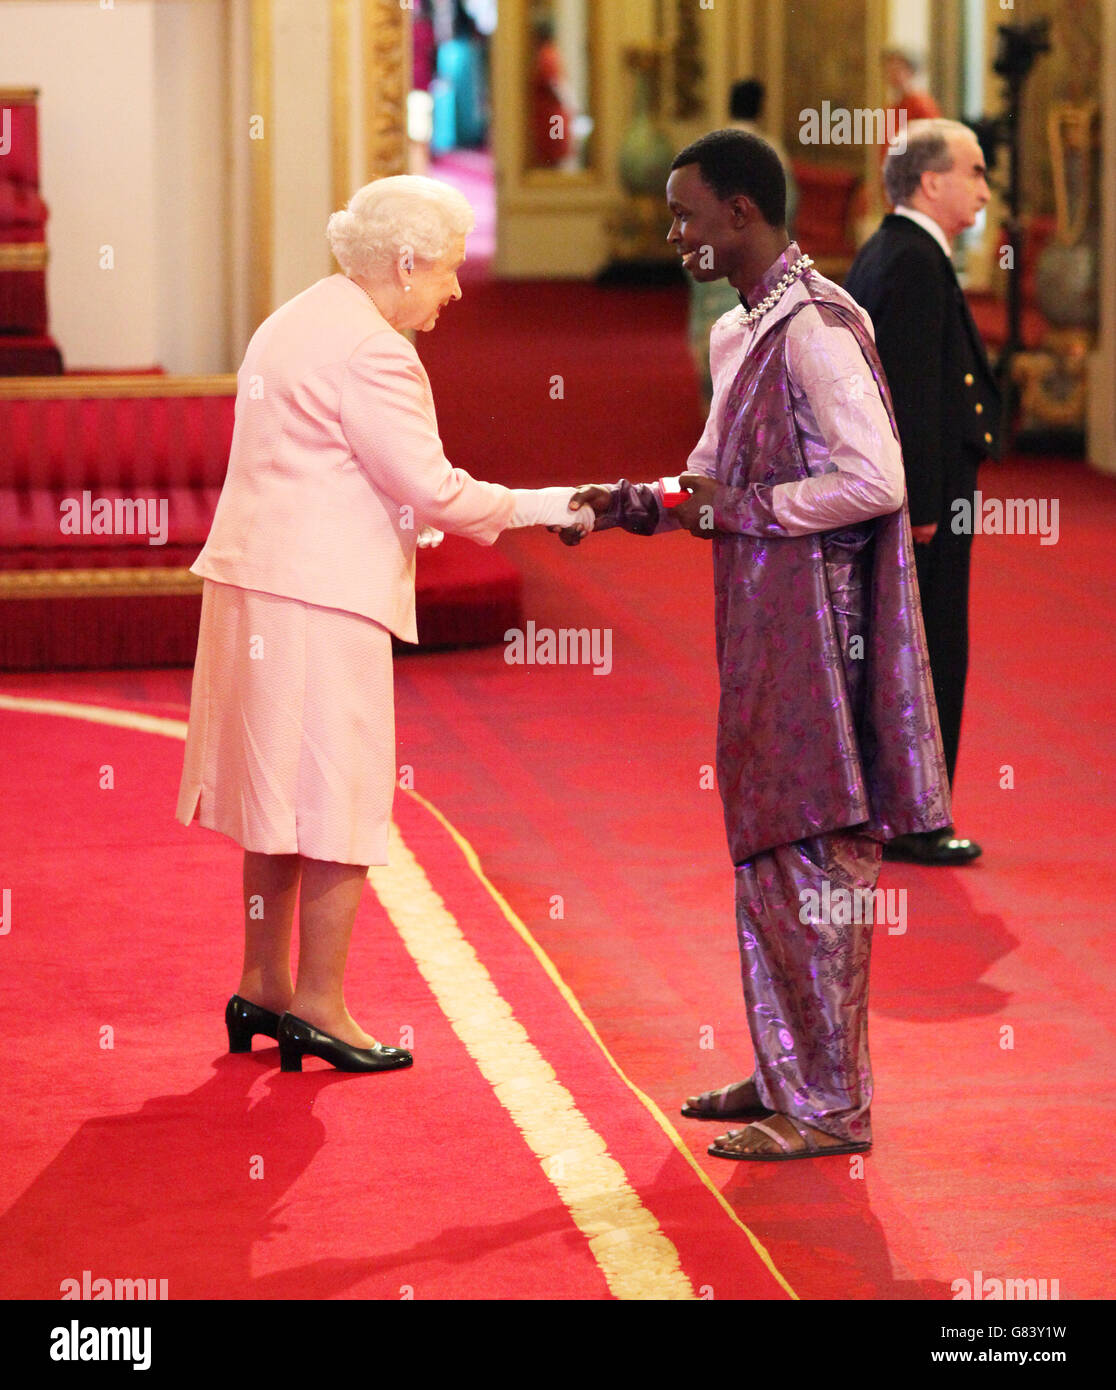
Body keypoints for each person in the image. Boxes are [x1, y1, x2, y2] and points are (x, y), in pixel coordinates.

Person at [558, 130, 950, 1160]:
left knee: (811, 847)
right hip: (761, 621)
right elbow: (706, 477)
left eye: (687, 213)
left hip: (821, 635)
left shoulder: (818, 328)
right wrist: (631, 505)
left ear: (743, 213)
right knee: (768, 848)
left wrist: (758, 508)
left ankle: (829, 1106)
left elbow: (880, 479)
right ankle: (788, 1061)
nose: (674, 231)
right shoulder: (742, 333)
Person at [175, 175, 592, 1074]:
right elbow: (434, 486)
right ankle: (321, 1005)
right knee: (337, 798)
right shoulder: (377, 351)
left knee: (273, 800)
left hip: (254, 583)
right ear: (403, 263)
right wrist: (559, 503)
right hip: (319, 601)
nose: (451, 290)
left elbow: (330, 464)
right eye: (443, 271)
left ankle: (263, 984)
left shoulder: (296, 317)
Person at [844, 118, 999, 864]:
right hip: (926, 504)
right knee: (927, 650)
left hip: (925, 498)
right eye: (973, 170)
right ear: (932, 182)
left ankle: (900, 806)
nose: (983, 186)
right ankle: (913, 817)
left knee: (913, 648)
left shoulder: (900, 251)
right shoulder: (910, 261)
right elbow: (908, 396)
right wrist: (925, 509)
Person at [688, 79, 798, 405]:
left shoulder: (705, 151)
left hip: (711, 250)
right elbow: (786, 205)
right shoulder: (770, 150)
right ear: (760, 108)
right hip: (756, 255)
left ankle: (712, 399)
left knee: (710, 316)